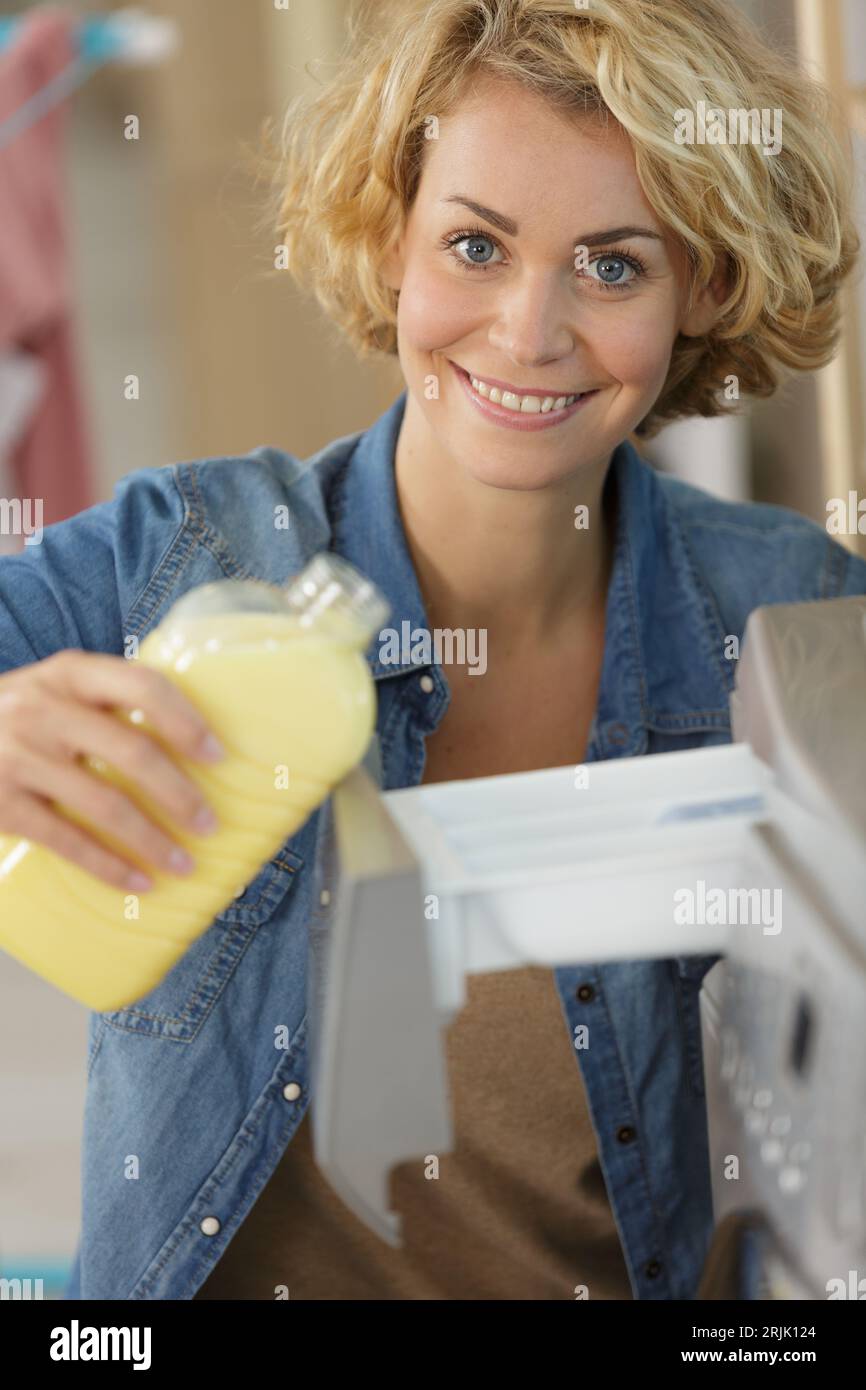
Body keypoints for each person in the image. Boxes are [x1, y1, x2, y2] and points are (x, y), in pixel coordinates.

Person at [1, 0, 864, 1301]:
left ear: (707, 284)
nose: (529, 331)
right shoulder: (179, 555)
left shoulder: (787, 612)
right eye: (475, 244)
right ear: (388, 238)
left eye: (613, 264)